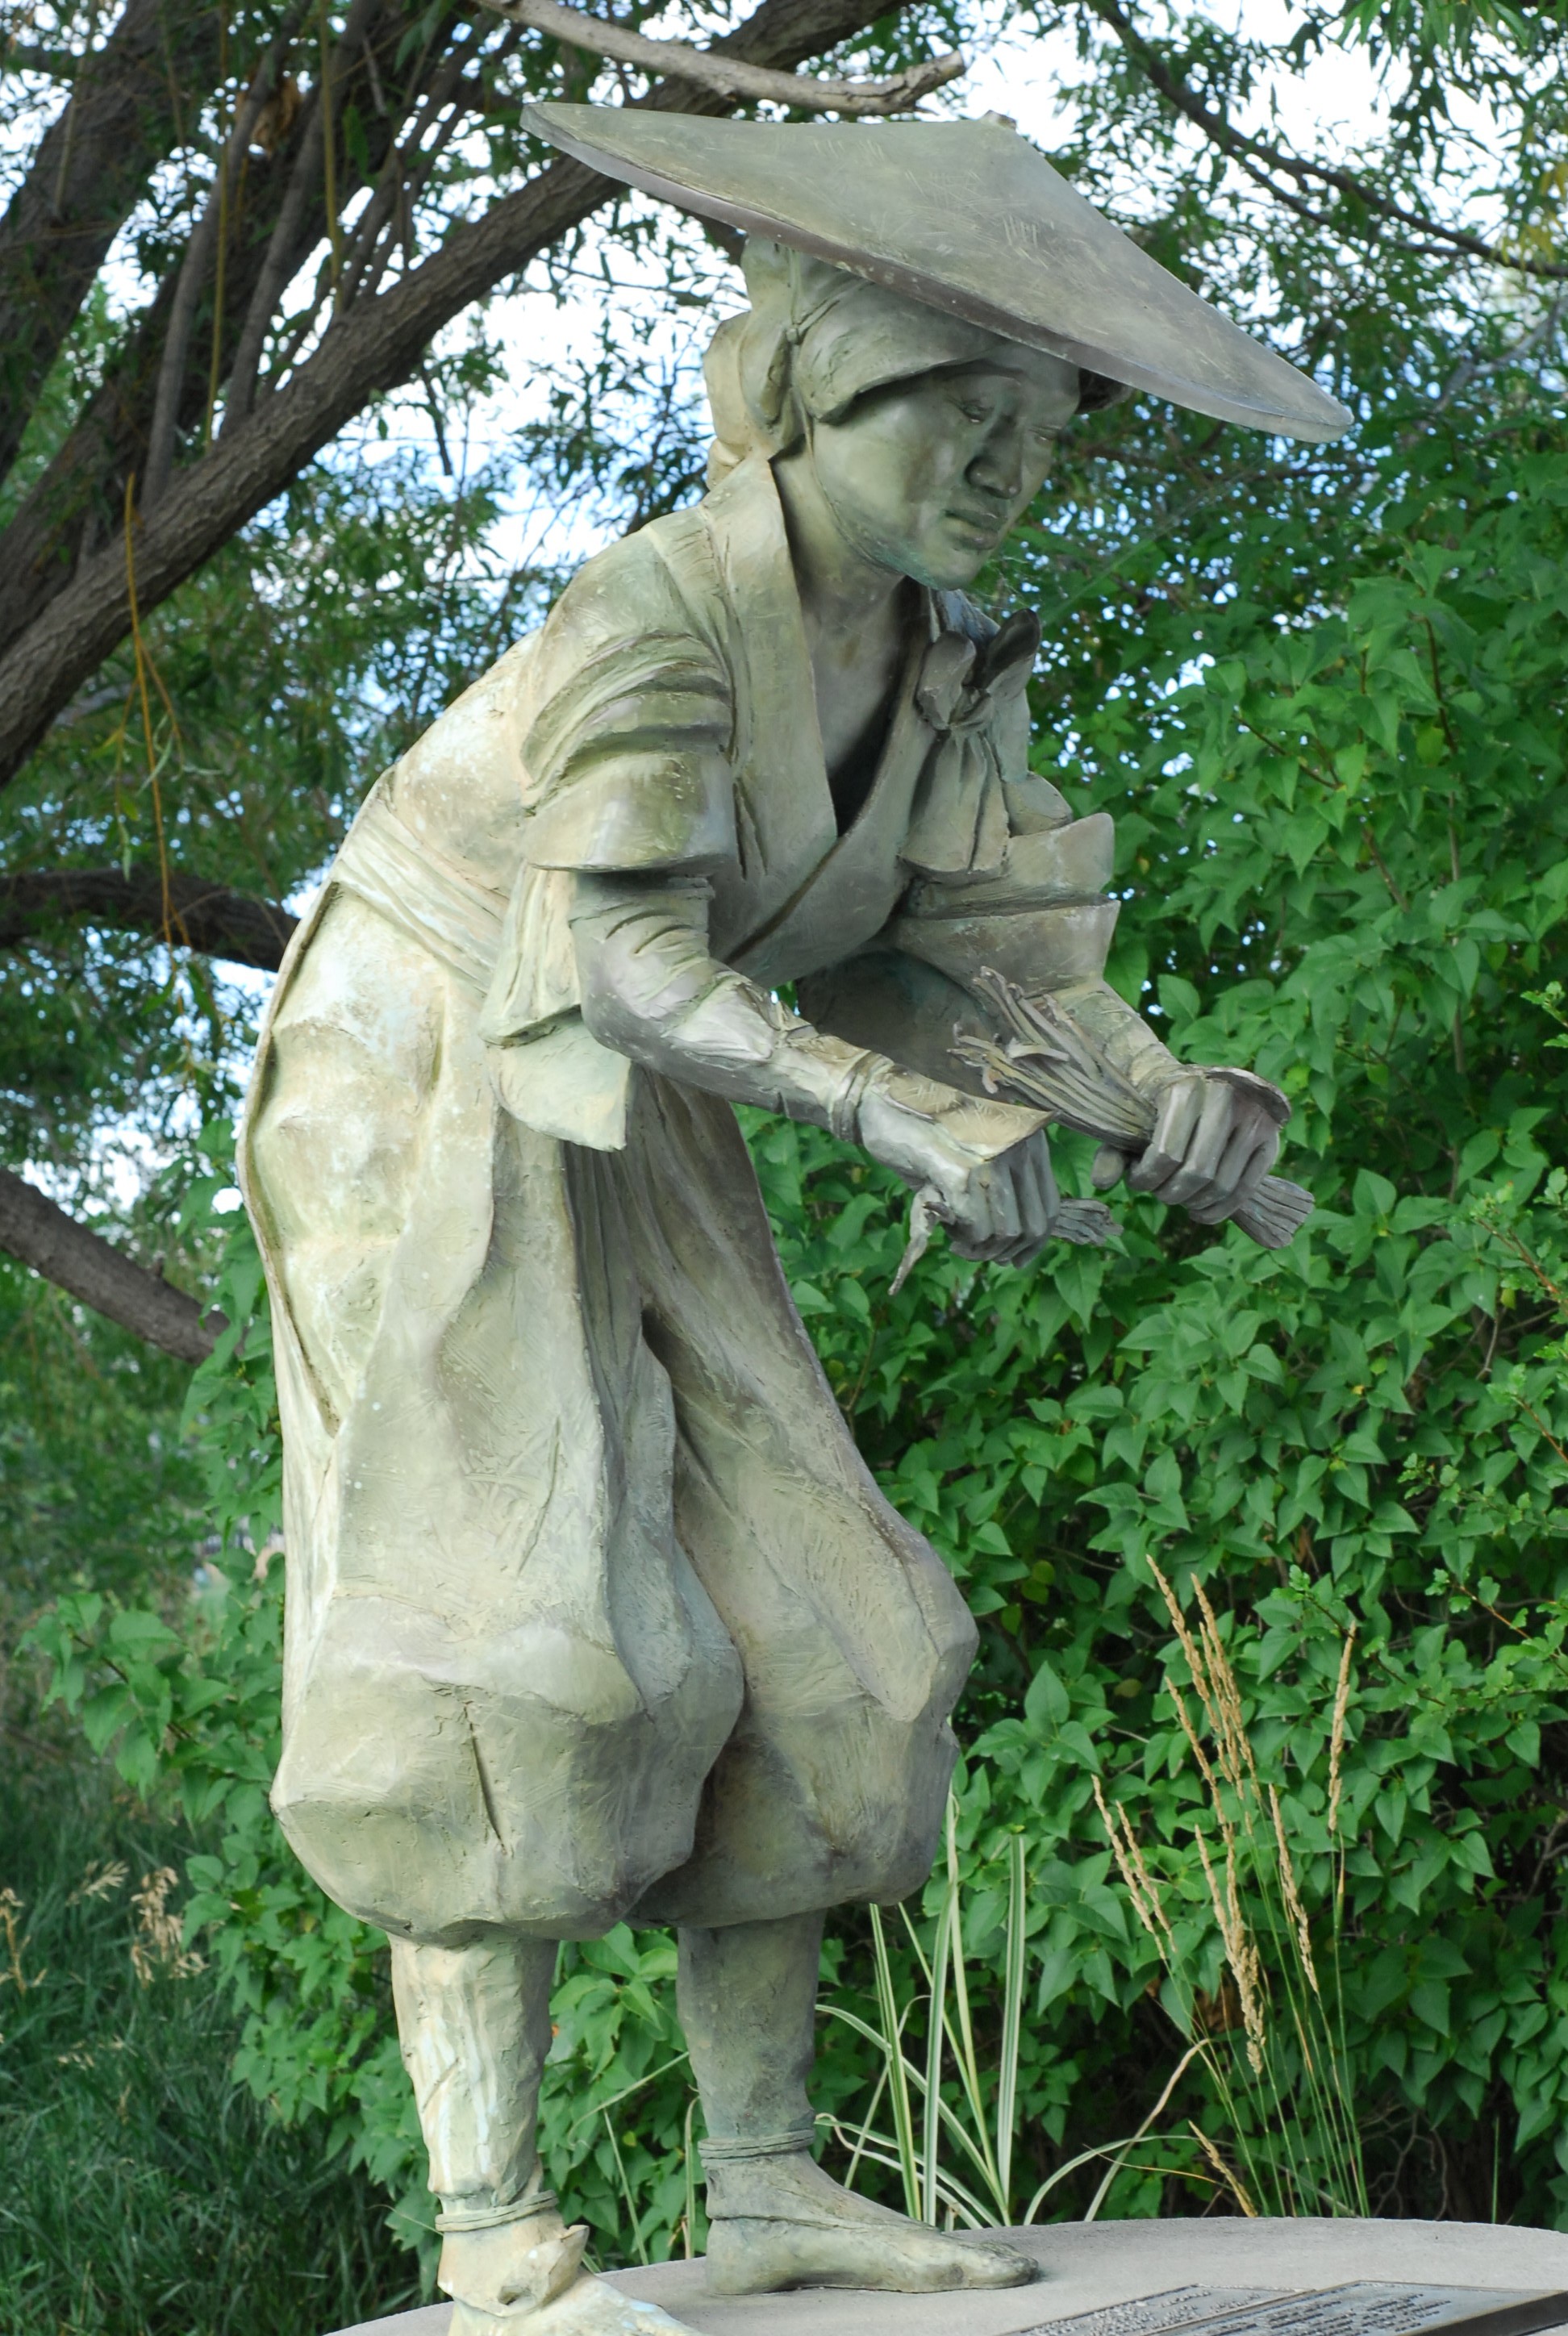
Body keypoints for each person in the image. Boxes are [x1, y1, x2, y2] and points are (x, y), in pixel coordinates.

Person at [239, 110, 1347, 2335]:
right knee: (519, 1624)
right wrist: (891, 1114)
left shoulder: (934, 660)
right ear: (804, 387)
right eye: (959, 403)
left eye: (1042, 426)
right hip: (436, 1064)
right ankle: (491, 2232)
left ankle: (765, 2188)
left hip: (654, 1075)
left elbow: (1003, 960)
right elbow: (616, 957)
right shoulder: (652, 606)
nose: (1010, 461)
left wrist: (1168, 1104)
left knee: (836, 1627)